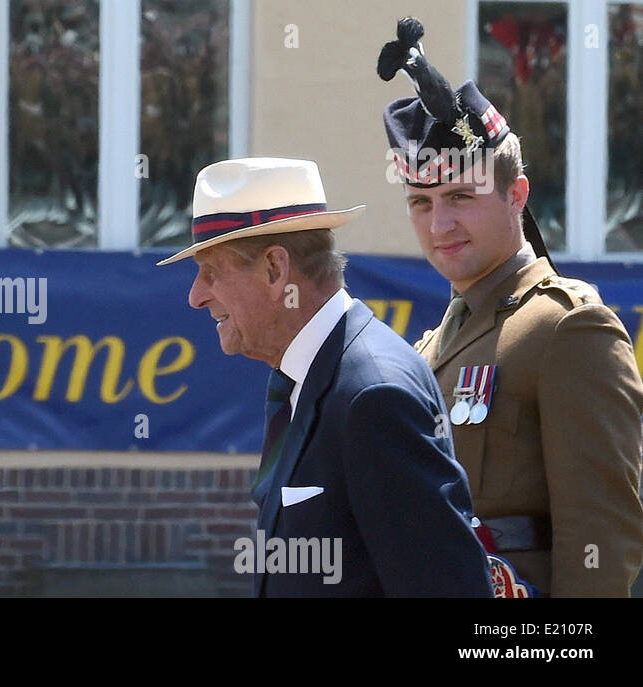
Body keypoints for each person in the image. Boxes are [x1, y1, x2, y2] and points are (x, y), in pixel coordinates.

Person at [379, 17, 643, 596]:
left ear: (515, 195)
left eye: (459, 197)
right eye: (420, 203)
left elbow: (604, 530)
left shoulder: (569, 327)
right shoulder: (430, 346)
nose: (439, 223)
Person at [157, 157, 493, 597]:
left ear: (276, 269)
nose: (196, 296)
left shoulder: (372, 394)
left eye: (212, 272)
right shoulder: (316, 377)